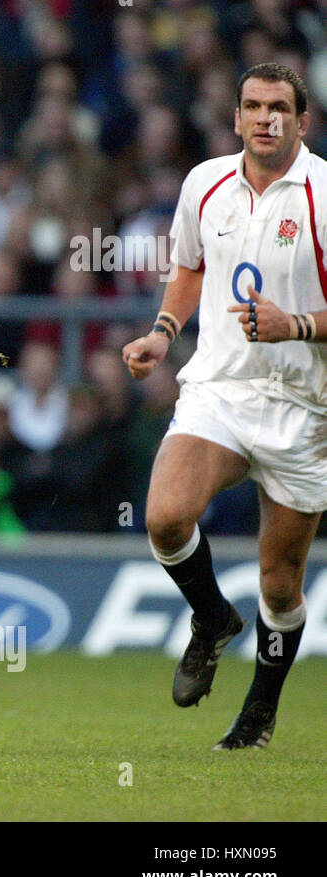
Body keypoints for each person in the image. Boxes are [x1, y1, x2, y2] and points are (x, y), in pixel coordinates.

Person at [122, 62, 327, 750]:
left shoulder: (324, 193)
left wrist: (293, 325)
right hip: (221, 386)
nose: (264, 117)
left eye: (278, 107)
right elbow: (190, 266)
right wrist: (161, 332)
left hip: (307, 407)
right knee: (165, 516)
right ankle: (211, 618)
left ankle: (258, 716)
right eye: (252, 106)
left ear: (302, 120)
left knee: (279, 582)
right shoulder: (204, 183)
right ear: (236, 117)